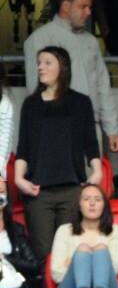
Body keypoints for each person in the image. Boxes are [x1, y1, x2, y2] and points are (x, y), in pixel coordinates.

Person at [15, 45, 101, 262]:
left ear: (62, 68)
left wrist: (97, 172)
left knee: (70, 252)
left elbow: (90, 143)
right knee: (43, 252)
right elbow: (23, 146)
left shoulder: (81, 102)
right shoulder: (31, 104)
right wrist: (18, 179)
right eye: (39, 63)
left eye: (47, 62)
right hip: (38, 191)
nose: (40, 68)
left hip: (71, 189)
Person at [23, 0, 118, 154]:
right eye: (83, 7)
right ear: (66, 6)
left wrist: (112, 130)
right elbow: (35, 91)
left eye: (90, 7)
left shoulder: (91, 41)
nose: (89, 13)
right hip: (54, 129)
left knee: (92, 180)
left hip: (90, 127)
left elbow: (103, 87)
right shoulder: (39, 39)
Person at [50, 182, 118, 288]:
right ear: (79, 204)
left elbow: (113, 270)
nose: (92, 203)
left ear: (104, 205)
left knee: (101, 249)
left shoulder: (115, 231)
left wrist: (77, 264)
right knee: (83, 249)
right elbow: (56, 273)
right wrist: (83, 264)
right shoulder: (64, 231)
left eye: (97, 200)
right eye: (86, 199)